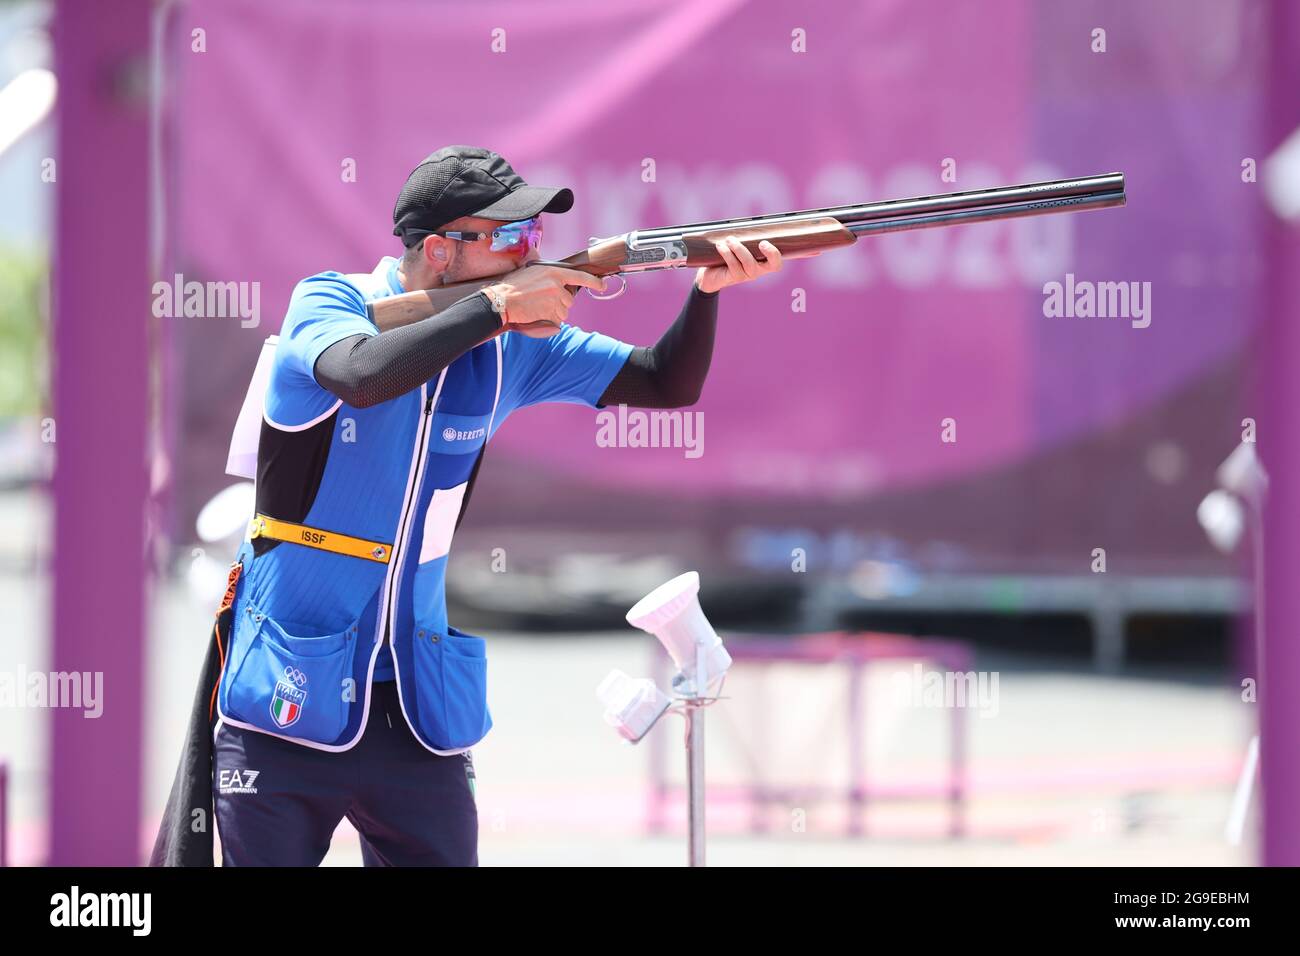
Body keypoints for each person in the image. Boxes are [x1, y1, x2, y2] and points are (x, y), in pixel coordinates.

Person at [153, 145, 784, 866]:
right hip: (289, 698)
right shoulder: (329, 302)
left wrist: (707, 291)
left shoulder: (512, 347)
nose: (531, 254)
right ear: (437, 251)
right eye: (511, 237)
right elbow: (360, 374)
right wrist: (493, 308)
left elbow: (665, 383)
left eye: (535, 238)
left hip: (418, 710)